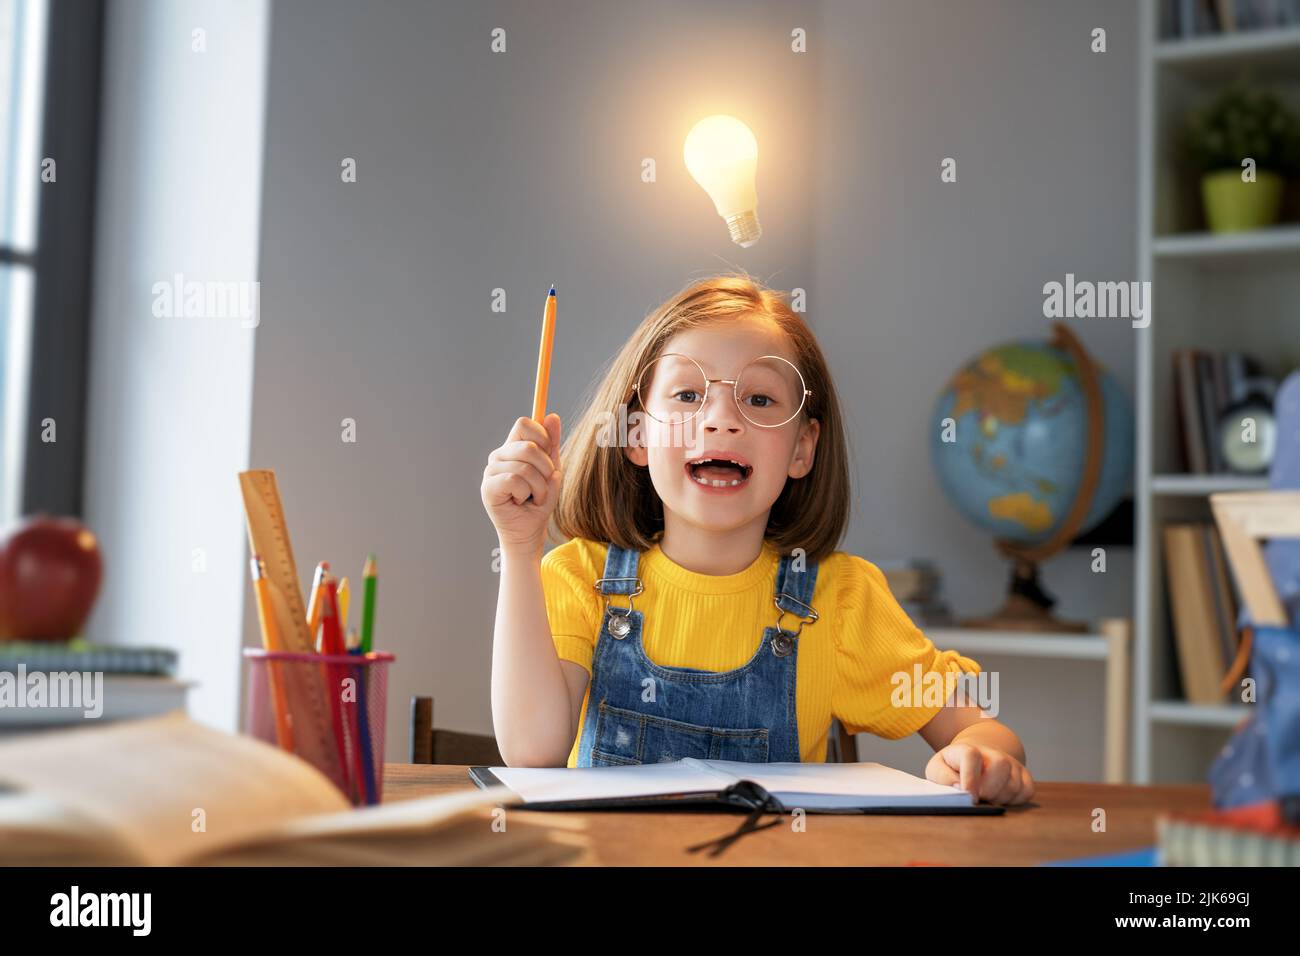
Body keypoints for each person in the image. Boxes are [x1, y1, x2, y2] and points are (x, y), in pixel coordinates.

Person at [481, 273, 1034, 805]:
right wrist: (520, 547)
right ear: (636, 433)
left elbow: (983, 730)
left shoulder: (840, 600)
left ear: (802, 448)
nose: (721, 419)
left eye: (760, 400)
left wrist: (979, 757)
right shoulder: (579, 578)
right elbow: (533, 753)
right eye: (689, 396)